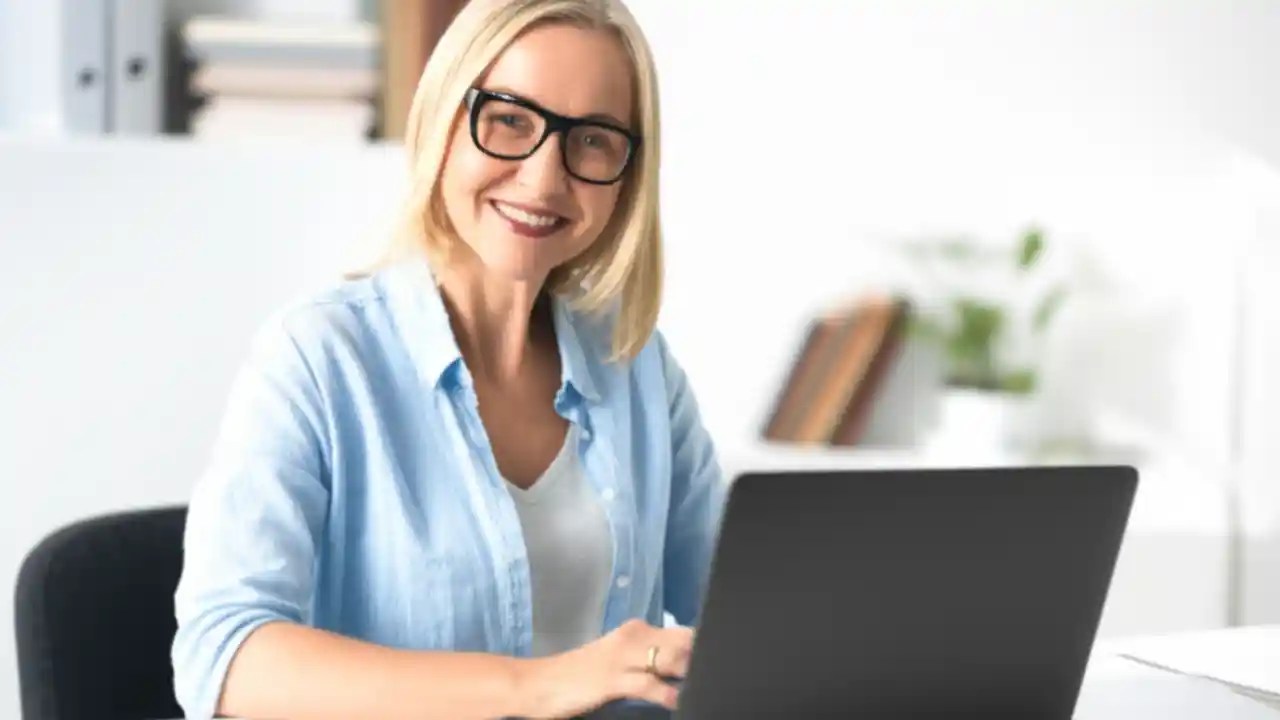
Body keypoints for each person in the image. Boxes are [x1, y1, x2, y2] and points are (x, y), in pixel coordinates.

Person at [170, 0, 726, 718]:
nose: (543, 178)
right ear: (443, 123)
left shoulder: (637, 364)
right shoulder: (319, 358)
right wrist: (540, 687)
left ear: (626, 174)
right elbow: (225, 659)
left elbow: (746, 610)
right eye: (509, 120)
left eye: (592, 140)